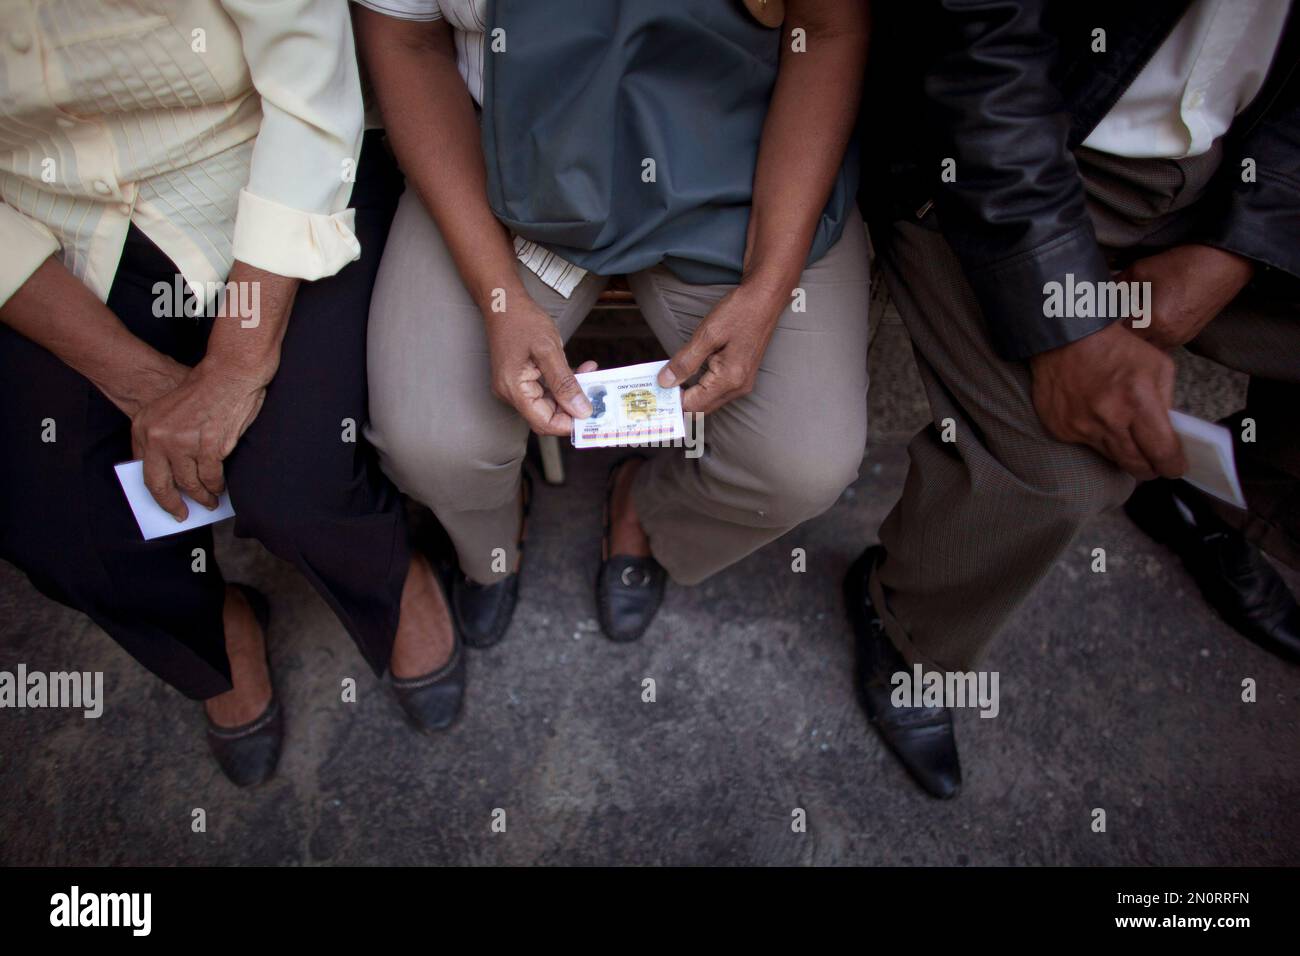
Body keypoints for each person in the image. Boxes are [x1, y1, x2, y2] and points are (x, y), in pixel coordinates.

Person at [0, 0, 459, 788]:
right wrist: (138, 381)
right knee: (57, 527)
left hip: (267, 176)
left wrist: (237, 365)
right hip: (45, 230)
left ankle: (394, 576)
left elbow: (310, 96)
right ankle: (216, 626)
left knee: (296, 485)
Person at [848, 0, 1300, 799]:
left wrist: (1241, 248)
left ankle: (1231, 506)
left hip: (1238, 171)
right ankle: (908, 629)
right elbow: (978, 49)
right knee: (1056, 472)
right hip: (1003, 167)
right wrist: (1067, 324)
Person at [353, 0, 872, 646]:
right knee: (434, 442)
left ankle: (649, 509)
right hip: (513, 147)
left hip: (732, 144)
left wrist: (769, 288)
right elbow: (407, 44)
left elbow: (828, 27)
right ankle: (491, 539)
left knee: (802, 461)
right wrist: (499, 296)